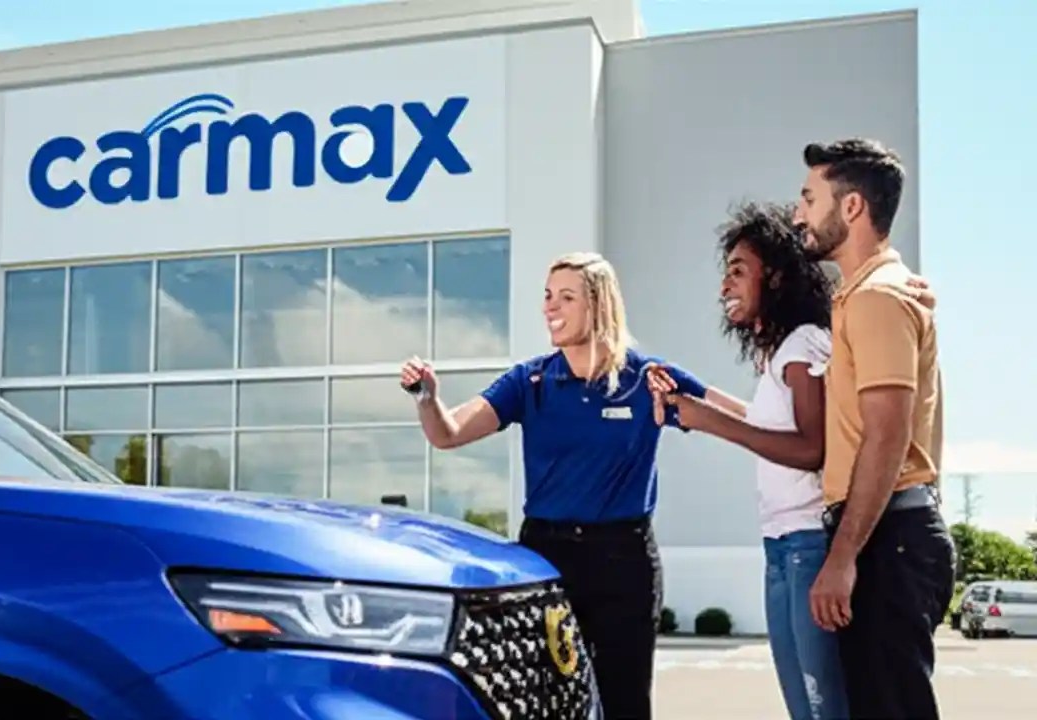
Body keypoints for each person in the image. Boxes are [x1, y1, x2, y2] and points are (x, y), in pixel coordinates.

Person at [653, 139, 952, 719]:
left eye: (809, 198)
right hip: (882, 532)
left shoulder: (877, 300)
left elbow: (885, 438)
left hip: (888, 534)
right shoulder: (860, 299)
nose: (798, 214)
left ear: (852, 208)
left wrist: (840, 559)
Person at [399, 251, 706, 720]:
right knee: (542, 699)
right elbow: (448, 433)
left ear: (599, 305)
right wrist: (427, 398)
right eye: (547, 296)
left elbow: (736, 416)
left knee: (625, 703)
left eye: (566, 297)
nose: (550, 307)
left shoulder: (647, 378)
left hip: (624, 560)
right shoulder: (529, 380)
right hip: (547, 557)